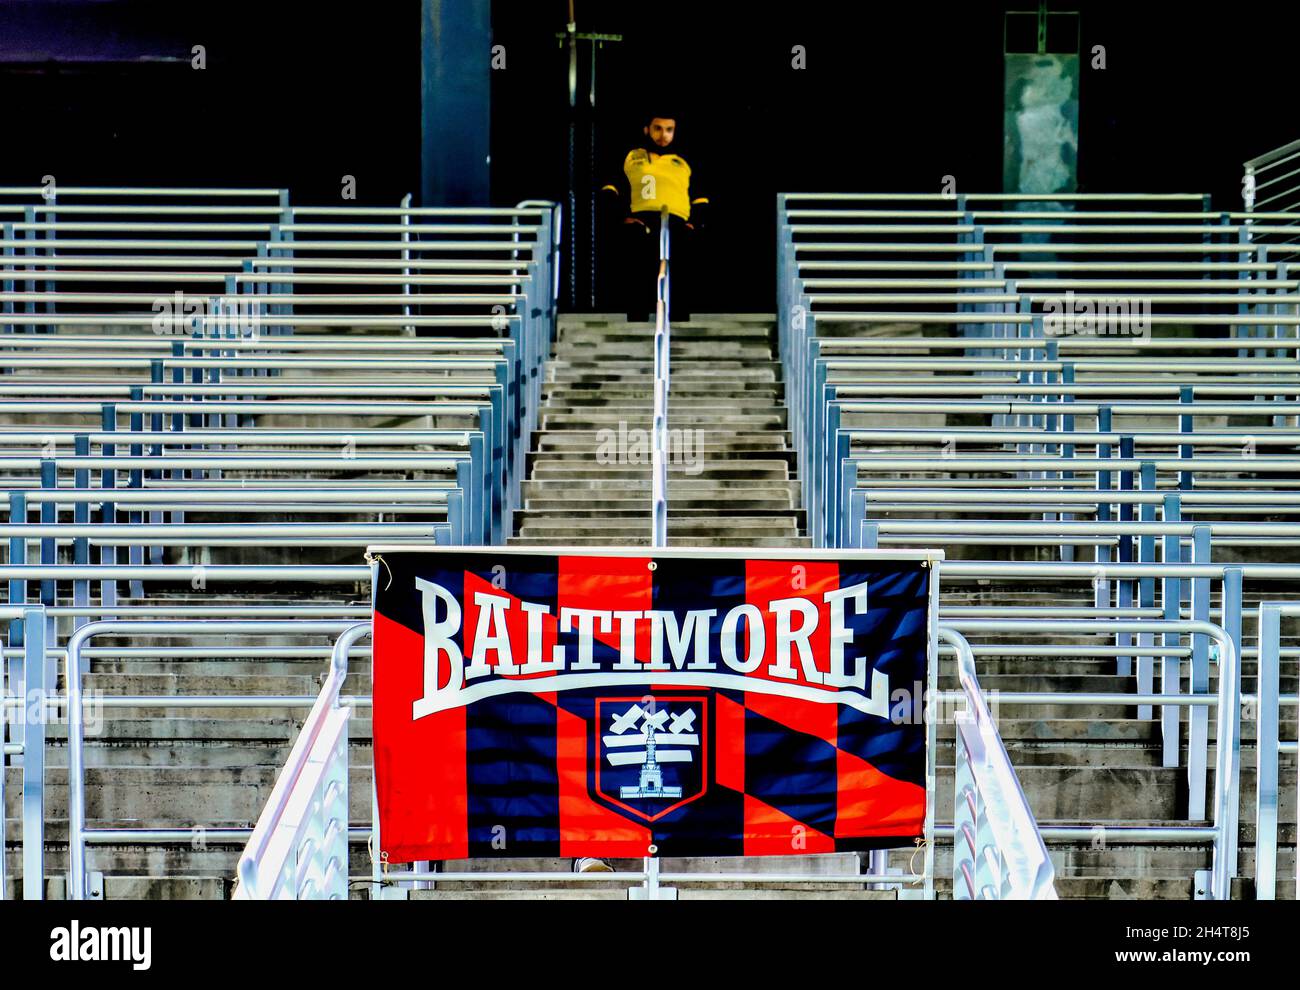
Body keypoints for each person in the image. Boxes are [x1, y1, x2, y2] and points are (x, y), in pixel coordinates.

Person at [598, 111, 709, 322]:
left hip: (676, 222)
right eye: (658, 128)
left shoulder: (684, 160)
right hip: (641, 220)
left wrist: (693, 224)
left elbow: (701, 196)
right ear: (647, 129)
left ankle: (678, 322)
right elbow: (610, 188)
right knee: (638, 271)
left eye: (669, 130)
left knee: (678, 273)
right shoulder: (632, 156)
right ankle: (636, 320)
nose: (663, 135)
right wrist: (621, 217)